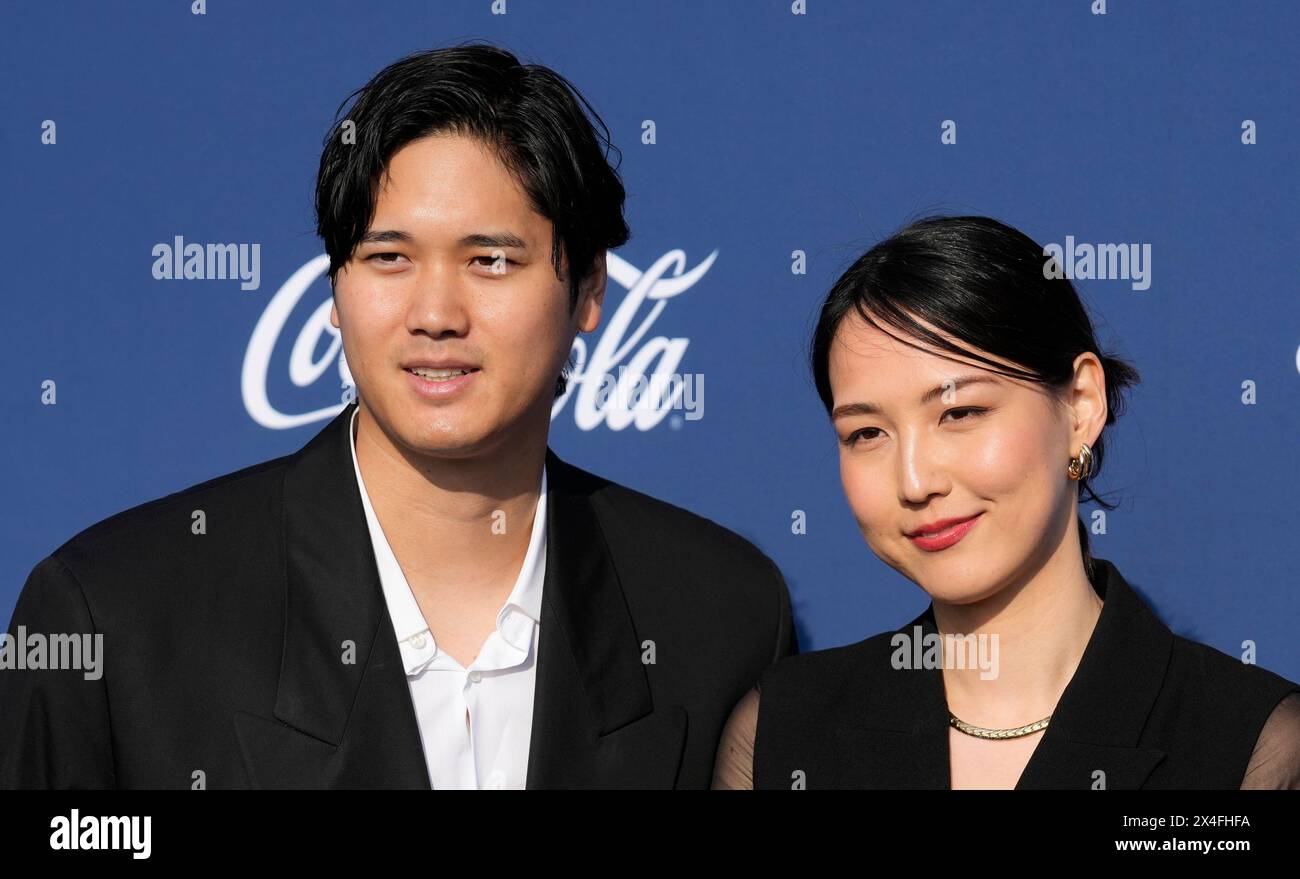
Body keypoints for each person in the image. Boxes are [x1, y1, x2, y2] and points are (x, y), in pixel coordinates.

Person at [0, 44, 797, 790]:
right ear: (335, 289)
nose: (436, 313)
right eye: (388, 257)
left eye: (491, 259)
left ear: (588, 289)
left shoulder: (720, 614)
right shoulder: (113, 616)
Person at [712, 214, 1300, 790]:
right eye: (867, 434)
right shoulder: (782, 732)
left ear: (1080, 404)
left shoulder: (1249, 742)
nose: (915, 482)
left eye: (960, 413)